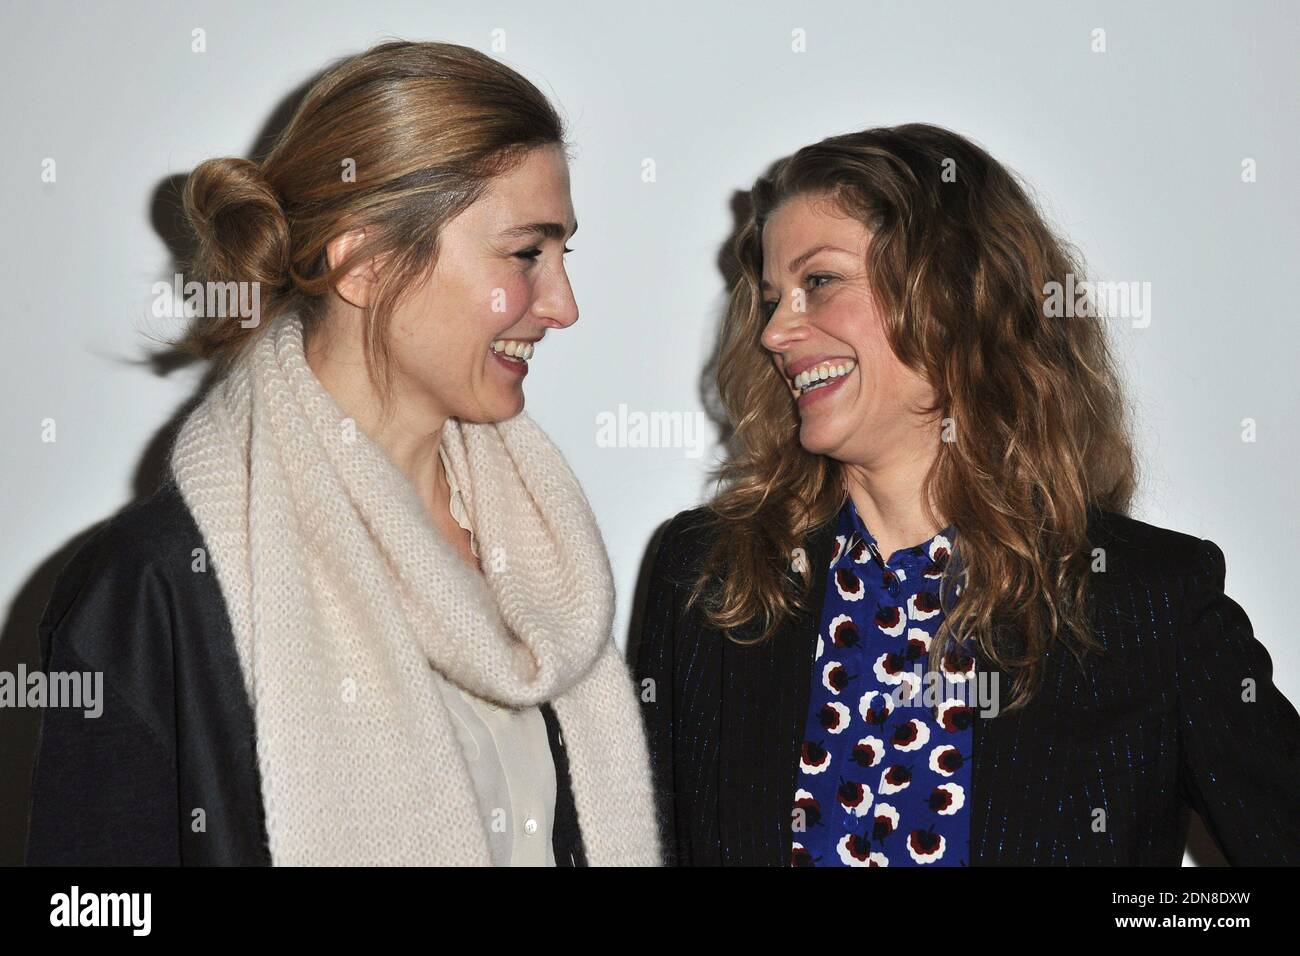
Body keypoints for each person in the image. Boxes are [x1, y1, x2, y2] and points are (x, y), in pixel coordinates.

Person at [26, 40, 660, 867]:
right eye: (524, 254)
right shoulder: (155, 588)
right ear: (364, 262)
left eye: (562, 253)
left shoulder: (541, 554)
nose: (564, 305)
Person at [634, 122, 1300, 866]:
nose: (777, 333)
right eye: (771, 298)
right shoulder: (711, 576)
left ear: (955, 295)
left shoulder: (1149, 602)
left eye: (818, 283)